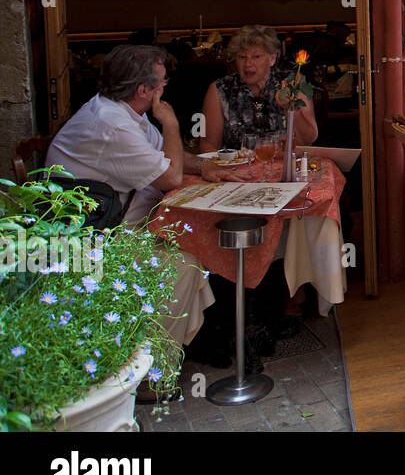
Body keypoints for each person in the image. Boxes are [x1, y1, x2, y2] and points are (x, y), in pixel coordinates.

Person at [44, 45, 247, 347]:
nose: (166, 85)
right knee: (185, 262)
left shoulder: (123, 111)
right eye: (162, 81)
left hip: (127, 224)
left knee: (193, 242)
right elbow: (171, 177)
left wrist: (206, 167)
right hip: (97, 239)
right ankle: (152, 367)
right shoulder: (112, 124)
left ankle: (190, 344)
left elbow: (166, 158)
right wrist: (172, 124)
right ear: (143, 89)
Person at [198, 24, 318, 153]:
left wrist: (291, 108)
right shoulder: (220, 89)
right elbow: (208, 145)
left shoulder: (291, 82)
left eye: (256, 57)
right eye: (242, 57)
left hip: (281, 167)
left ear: (272, 59)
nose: (248, 64)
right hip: (236, 169)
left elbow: (308, 139)